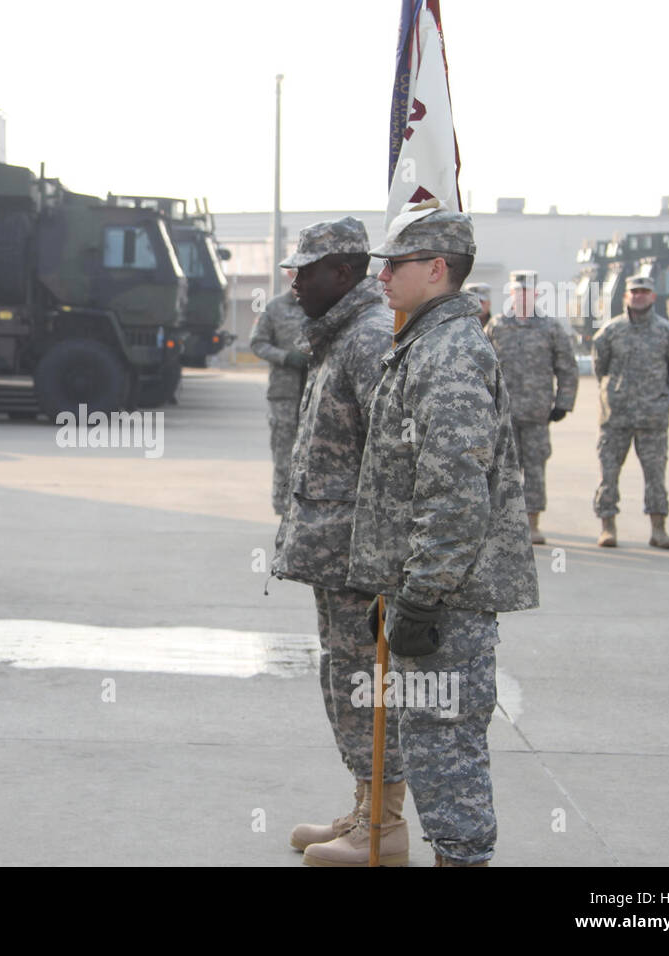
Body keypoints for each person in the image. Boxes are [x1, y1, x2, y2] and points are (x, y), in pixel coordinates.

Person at [347, 199, 539, 867]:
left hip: (446, 596)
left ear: (435, 269)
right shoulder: (427, 342)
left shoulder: (449, 351)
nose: (382, 277)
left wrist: (423, 595)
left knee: (444, 743)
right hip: (432, 585)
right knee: (434, 739)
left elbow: (454, 491)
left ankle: (462, 859)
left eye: (393, 264)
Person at [270, 218, 406, 867]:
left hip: (364, 558)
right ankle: (364, 809)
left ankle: (384, 831)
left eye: (306, 269)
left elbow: (401, 454)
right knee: (345, 677)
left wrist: (389, 554)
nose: (294, 280)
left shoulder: (370, 338)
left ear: (343, 274)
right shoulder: (340, 337)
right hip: (338, 556)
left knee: (368, 685)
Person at [591, 275, 669, 548]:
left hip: (652, 418)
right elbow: (600, 366)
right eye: (634, 292)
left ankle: (658, 529)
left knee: (656, 475)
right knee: (608, 474)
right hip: (616, 417)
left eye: (644, 292)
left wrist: (659, 393)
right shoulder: (611, 331)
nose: (638, 296)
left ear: (653, 297)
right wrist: (613, 392)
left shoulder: (667, 332)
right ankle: (608, 527)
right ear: (625, 296)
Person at [485, 278, 579, 544]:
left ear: (536, 294)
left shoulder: (550, 328)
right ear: (511, 294)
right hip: (503, 412)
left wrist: (564, 402)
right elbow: (481, 365)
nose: (523, 297)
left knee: (536, 468)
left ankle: (533, 522)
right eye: (518, 292)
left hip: (538, 413)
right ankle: (503, 524)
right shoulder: (498, 326)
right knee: (502, 470)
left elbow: (567, 367)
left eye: (527, 292)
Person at [250, 288, 311, 515]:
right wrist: (285, 357)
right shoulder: (275, 307)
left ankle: (305, 507)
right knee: (284, 456)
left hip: (315, 393)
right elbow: (257, 343)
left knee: (312, 456)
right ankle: (285, 509)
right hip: (284, 394)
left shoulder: (325, 304)